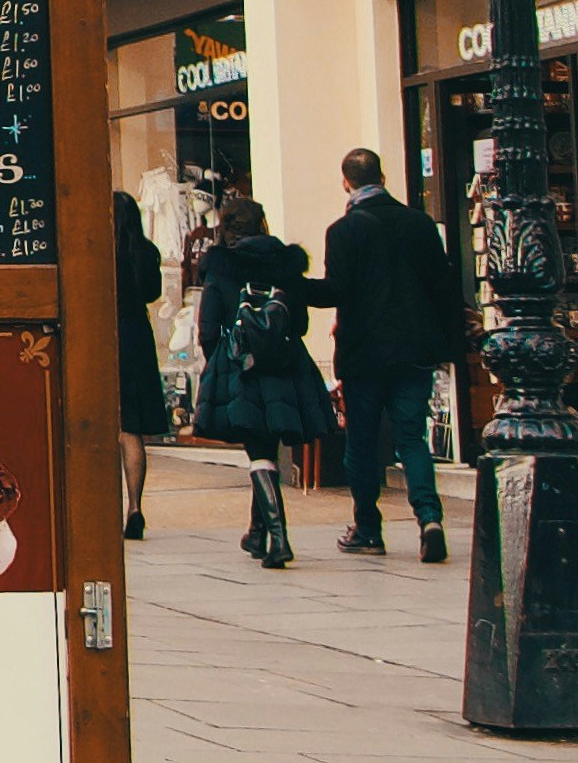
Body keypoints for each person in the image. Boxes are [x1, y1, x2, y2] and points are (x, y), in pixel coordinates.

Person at [313, 141, 466, 562]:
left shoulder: (342, 232)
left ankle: (367, 529)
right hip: (413, 351)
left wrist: (293, 283)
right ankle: (430, 519)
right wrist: (448, 344)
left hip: (364, 355)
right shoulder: (419, 225)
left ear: (345, 183)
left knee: (360, 443)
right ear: (382, 179)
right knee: (411, 439)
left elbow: (337, 291)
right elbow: (443, 286)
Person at [191, 189, 331, 569]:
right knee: (266, 447)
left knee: (257, 451)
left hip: (241, 366)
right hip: (286, 366)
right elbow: (299, 321)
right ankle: (257, 533)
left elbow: (208, 328)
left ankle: (280, 538)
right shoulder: (286, 264)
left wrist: (221, 361)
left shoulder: (221, 267)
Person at [112, 188, 173, 541]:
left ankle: (105, 507)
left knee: (105, 429)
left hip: (105, 336)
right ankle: (134, 506)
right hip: (137, 337)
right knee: (131, 430)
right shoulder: (146, 252)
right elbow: (152, 294)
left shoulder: (100, 249)